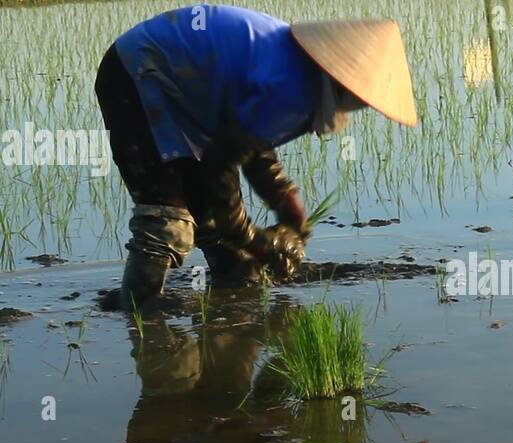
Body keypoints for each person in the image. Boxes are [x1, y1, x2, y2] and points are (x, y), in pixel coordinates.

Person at [94, 5, 418, 308]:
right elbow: (221, 163)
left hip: (186, 92)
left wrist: (283, 198)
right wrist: (253, 239)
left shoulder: (296, 70)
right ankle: (142, 315)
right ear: (345, 83)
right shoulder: (293, 85)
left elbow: (248, 144)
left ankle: (230, 302)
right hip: (137, 71)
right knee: (166, 219)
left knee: (221, 233)